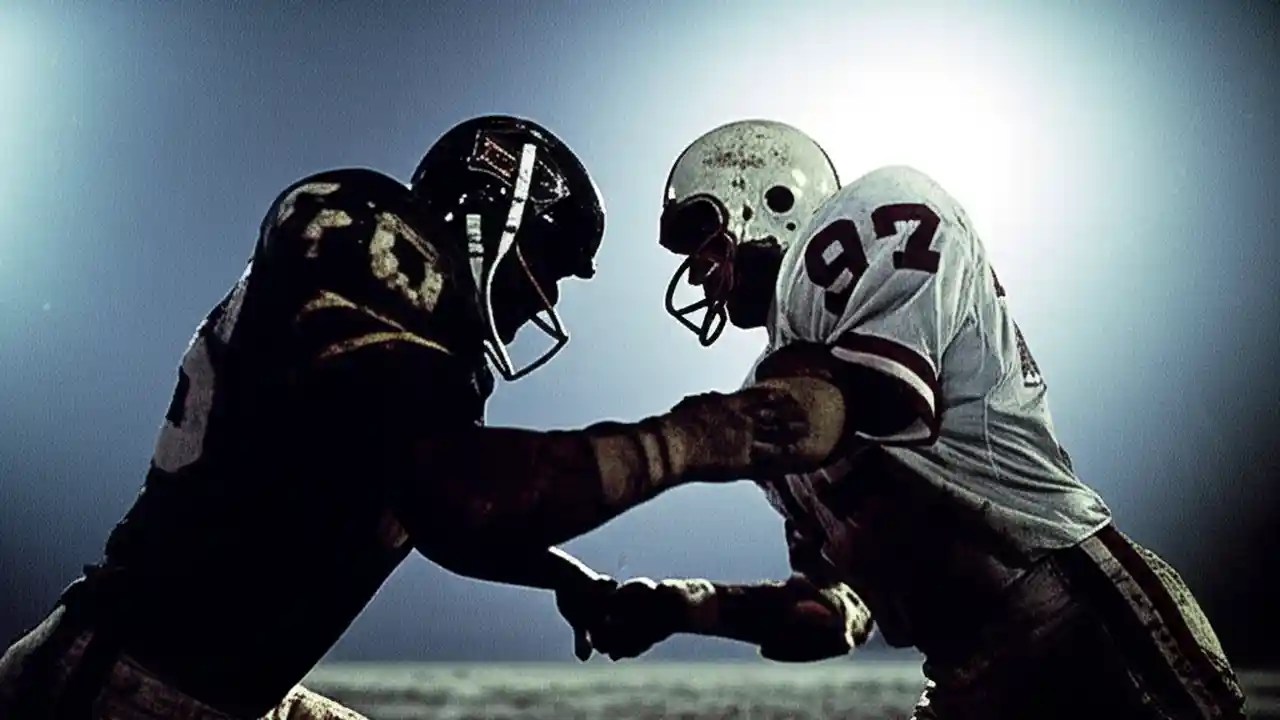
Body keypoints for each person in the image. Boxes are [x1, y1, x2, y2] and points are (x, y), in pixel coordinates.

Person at [0, 115, 829, 719]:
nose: (544, 296)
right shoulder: (364, 228)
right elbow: (455, 495)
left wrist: (566, 577)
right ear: (496, 216)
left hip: (204, 686)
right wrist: (686, 440)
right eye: (551, 262)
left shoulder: (431, 360)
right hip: (125, 682)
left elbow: (425, 506)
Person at [580, 119, 1249, 719]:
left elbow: (883, 396)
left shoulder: (870, 221)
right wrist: (675, 605)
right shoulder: (767, 395)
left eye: (704, 236)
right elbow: (829, 616)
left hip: (1073, 620)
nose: (700, 275)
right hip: (962, 672)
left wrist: (672, 447)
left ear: (772, 201)